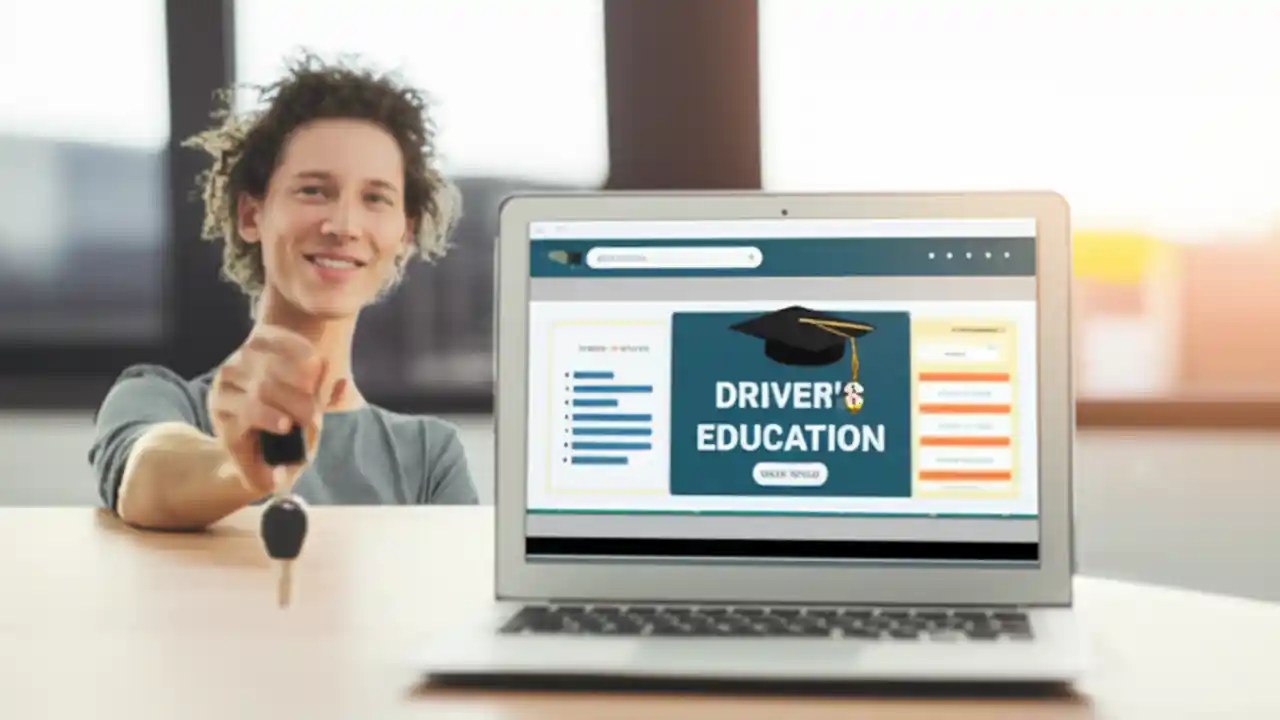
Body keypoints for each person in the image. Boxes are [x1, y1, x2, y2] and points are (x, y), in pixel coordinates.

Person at [88, 54, 478, 530]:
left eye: (375, 198)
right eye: (314, 191)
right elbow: (147, 481)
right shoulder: (155, 398)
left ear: (404, 234)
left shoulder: (429, 456)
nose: (343, 226)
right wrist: (240, 468)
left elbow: (461, 597)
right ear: (252, 215)